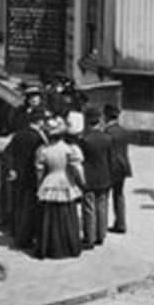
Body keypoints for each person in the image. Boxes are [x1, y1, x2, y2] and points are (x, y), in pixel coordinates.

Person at [34, 116, 85, 259]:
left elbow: (39, 171)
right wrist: (81, 182)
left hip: (50, 179)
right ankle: (68, 246)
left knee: (49, 216)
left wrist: (39, 184)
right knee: (66, 214)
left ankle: (49, 247)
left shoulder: (43, 150)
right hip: (65, 179)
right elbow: (76, 168)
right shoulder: (69, 149)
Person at [4, 108, 48, 251]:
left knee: (19, 206)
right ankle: (25, 239)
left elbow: (8, 152)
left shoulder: (19, 134)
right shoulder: (38, 138)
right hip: (32, 176)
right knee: (30, 208)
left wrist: (11, 169)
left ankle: (17, 233)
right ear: (39, 121)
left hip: (18, 175)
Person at [78, 107, 113, 248]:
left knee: (89, 208)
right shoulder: (107, 138)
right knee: (102, 206)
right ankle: (101, 235)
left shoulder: (84, 140)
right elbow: (110, 159)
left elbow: (81, 160)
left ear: (87, 121)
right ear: (99, 120)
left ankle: (89, 238)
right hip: (104, 176)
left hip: (89, 177)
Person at [102, 104, 133, 233]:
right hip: (122, 166)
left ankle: (101, 225)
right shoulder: (123, 131)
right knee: (119, 195)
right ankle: (121, 223)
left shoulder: (107, 133)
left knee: (104, 197)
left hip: (110, 167)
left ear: (106, 117)